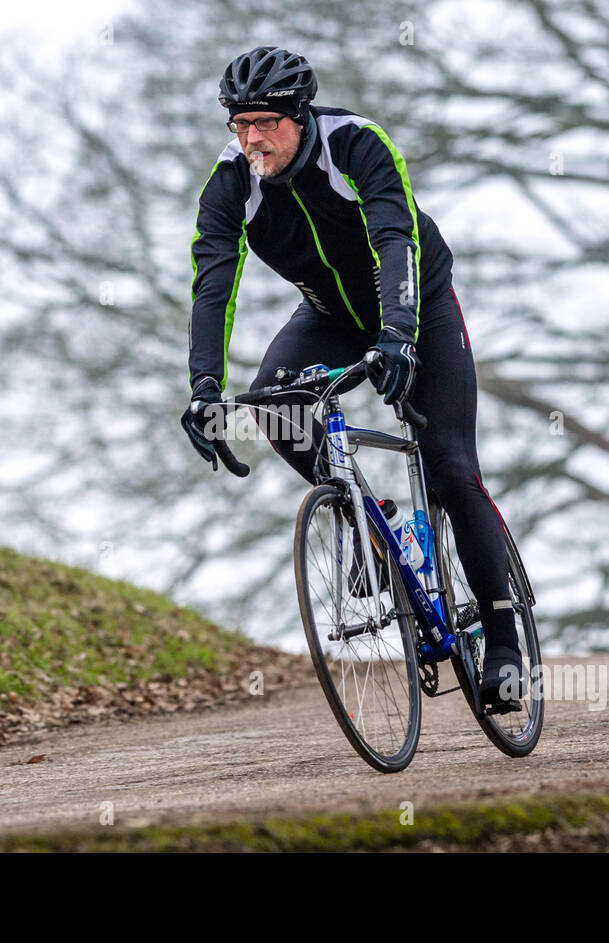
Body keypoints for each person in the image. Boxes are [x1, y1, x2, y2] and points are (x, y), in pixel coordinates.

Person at [180, 46, 522, 704]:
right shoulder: (229, 186)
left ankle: (504, 641)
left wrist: (399, 334)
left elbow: (395, 237)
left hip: (416, 302)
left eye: (265, 123)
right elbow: (211, 289)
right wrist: (203, 391)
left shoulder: (357, 144)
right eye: (238, 124)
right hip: (329, 313)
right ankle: (374, 521)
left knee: (450, 463)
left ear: (300, 117)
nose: (251, 139)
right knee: (272, 409)